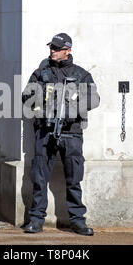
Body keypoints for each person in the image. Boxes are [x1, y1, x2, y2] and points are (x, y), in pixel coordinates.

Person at [22, 33, 100, 235]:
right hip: (46, 132)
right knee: (39, 178)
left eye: (57, 48)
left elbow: (94, 99)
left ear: (68, 50)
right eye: (51, 47)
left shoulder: (81, 74)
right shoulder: (41, 73)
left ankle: (77, 221)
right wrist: (42, 103)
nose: (52, 51)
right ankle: (37, 219)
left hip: (71, 133)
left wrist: (70, 109)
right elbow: (26, 97)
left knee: (74, 179)